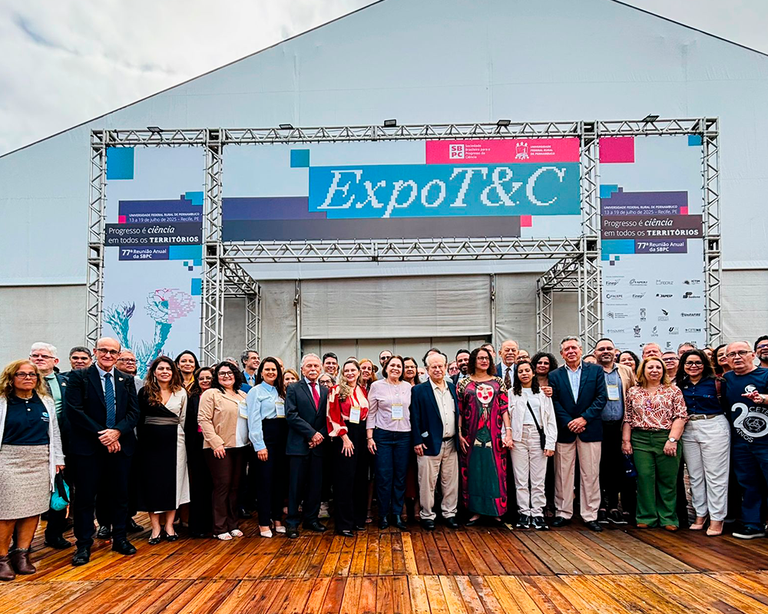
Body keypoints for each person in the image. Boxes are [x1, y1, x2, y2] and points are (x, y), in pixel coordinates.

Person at [65, 337, 139, 566]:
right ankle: (83, 545)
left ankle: (120, 538)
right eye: (103, 350)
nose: (108, 355)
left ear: (118, 355)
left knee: (120, 495)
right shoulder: (79, 377)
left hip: (120, 447)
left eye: (113, 352)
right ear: (95, 352)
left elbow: (133, 413)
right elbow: (74, 411)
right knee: (85, 498)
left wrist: (116, 432)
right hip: (88, 448)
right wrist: (104, 435)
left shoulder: (126, 380)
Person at [0, 360, 65, 581]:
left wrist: (58, 459)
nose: (28, 378)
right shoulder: (3, 401)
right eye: (22, 374)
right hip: (9, 459)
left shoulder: (45, 401)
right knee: (7, 512)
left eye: (32, 374)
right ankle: (2, 558)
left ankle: (21, 553)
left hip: (40, 460)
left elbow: (54, 433)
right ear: (11, 378)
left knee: (33, 510)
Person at [549, 336, 607, 532]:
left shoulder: (596, 371)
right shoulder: (555, 375)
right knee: (563, 473)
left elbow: (601, 398)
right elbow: (554, 401)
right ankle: (563, 512)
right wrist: (569, 422)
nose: (571, 351)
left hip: (590, 429)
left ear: (581, 350)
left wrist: (583, 419)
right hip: (565, 430)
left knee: (590, 474)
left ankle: (590, 514)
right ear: (561, 354)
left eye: (574, 348)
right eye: (567, 349)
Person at [622, 357, 687, 530]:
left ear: (663, 371)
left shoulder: (673, 390)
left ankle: (668, 518)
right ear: (643, 370)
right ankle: (646, 516)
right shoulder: (633, 391)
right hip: (640, 438)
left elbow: (680, 416)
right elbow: (628, 418)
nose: (654, 370)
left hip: (665, 437)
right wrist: (626, 441)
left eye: (658, 367)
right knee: (644, 477)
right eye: (650, 367)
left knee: (668, 480)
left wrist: (672, 440)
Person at [675, 349, 729, 536]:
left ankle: (717, 518)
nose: (693, 366)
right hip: (689, 427)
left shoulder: (717, 382)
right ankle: (700, 514)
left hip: (713, 424)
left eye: (698, 362)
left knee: (715, 475)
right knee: (695, 475)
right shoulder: (680, 384)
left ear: (704, 364)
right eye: (689, 363)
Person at [135, 357, 189, 544]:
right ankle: (155, 527)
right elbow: (139, 419)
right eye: (161, 368)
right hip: (150, 444)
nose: (165, 372)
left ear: (174, 372)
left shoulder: (181, 392)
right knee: (153, 484)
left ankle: (169, 525)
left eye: (168, 369)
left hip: (176, 442)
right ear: (154, 372)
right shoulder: (145, 392)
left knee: (173, 483)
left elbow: (183, 419)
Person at [457, 347, 513, 524]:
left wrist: (508, 432)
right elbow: (459, 410)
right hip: (470, 436)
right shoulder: (464, 384)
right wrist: (459, 433)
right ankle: (476, 511)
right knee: (474, 472)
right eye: (480, 358)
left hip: (495, 436)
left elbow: (504, 408)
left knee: (495, 472)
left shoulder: (498, 382)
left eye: (487, 358)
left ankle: (495, 509)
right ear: (473, 360)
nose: (484, 361)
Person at [721, 341, 768, 539]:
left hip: (765, 442)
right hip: (741, 442)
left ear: (753, 355)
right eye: (732, 354)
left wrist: (763, 399)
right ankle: (752, 524)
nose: (737, 357)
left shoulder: (765, 375)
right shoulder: (727, 379)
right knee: (748, 482)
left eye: (741, 352)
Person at [198, 361, 249, 541]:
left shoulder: (242, 395)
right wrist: (216, 443)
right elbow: (203, 419)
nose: (226, 376)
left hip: (241, 446)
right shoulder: (211, 394)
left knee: (235, 487)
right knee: (223, 486)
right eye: (222, 373)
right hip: (220, 447)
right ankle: (219, 527)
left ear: (235, 375)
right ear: (216, 377)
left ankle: (233, 524)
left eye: (229, 373)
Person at [410, 352, 460, 530]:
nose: (438, 369)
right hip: (428, 443)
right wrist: (417, 440)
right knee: (427, 482)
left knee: (450, 481)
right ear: (427, 369)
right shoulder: (419, 390)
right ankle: (427, 514)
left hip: (451, 442)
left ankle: (449, 513)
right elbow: (414, 417)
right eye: (434, 367)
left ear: (446, 367)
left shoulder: (452, 388)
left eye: (440, 366)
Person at [29, 344, 72, 549]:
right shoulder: (22, 381)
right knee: (29, 494)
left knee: (61, 490)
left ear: (55, 361)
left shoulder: (67, 382)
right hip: (32, 443)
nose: (39, 358)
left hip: (64, 443)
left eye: (44, 356)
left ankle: (54, 534)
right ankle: (22, 542)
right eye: (35, 355)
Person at [508, 360, 557, 530]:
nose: (524, 374)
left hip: (537, 436)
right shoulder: (511, 393)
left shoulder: (543, 394)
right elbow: (506, 418)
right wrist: (507, 436)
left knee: (538, 478)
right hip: (518, 437)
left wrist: (550, 443)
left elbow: (550, 420)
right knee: (520, 478)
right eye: (520, 371)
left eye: (527, 370)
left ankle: (537, 512)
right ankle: (524, 512)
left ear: (533, 372)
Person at [593, 338, 637, 525]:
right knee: (599, 467)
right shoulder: (592, 371)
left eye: (609, 348)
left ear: (615, 351)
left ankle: (613, 505)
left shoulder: (625, 371)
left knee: (617, 467)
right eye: (601, 349)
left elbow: (633, 395)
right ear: (595, 353)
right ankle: (601, 505)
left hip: (620, 426)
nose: (605, 351)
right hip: (597, 426)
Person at [285, 354, 328, 538]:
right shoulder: (293, 388)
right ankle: (292, 523)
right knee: (296, 486)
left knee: (315, 486)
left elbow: (328, 417)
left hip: (319, 446)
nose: (313, 369)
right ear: (302, 369)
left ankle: (311, 519)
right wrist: (311, 434)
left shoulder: (326, 391)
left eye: (316, 366)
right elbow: (291, 415)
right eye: (309, 366)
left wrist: (320, 435)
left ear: (320, 368)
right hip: (298, 446)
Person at [367, 355, 412, 530]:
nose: (395, 368)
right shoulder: (376, 386)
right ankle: (383, 515)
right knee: (384, 476)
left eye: (399, 366)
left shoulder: (408, 387)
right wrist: (370, 437)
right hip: (383, 436)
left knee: (400, 477)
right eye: (392, 365)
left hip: (404, 436)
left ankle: (397, 514)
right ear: (385, 368)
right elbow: (371, 413)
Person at [246, 358, 288, 538]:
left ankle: (277, 519)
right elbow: (253, 420)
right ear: (261, 372)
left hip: (282, 438)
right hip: (266, 437)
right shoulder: (255, 392)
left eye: (274, 369)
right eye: (267, 369)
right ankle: (264, 522)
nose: (271, 372)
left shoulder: (282, 392)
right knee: (265, 482)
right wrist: (259, 445)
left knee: (279, 481)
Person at [326, 359, 369, 537]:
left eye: (353, 370)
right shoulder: (335, 391)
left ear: (359, 372)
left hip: (361, 434)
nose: (350, 373)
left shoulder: (363, 390)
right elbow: (332, 415)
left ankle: (358, 520)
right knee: (345, 480)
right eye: (347, 371)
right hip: (345, 435)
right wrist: (344, 437)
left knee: (360, 478)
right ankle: (344, 524)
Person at [185, 367, 214, 537]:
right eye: (201, 378)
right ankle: (197, 526)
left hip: (215, 443)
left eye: (208, 378)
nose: (205, 381)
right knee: (198, 486)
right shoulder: (192, 398)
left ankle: (214, 524)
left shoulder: (218, 395)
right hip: (196, 445)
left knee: (213, 485)